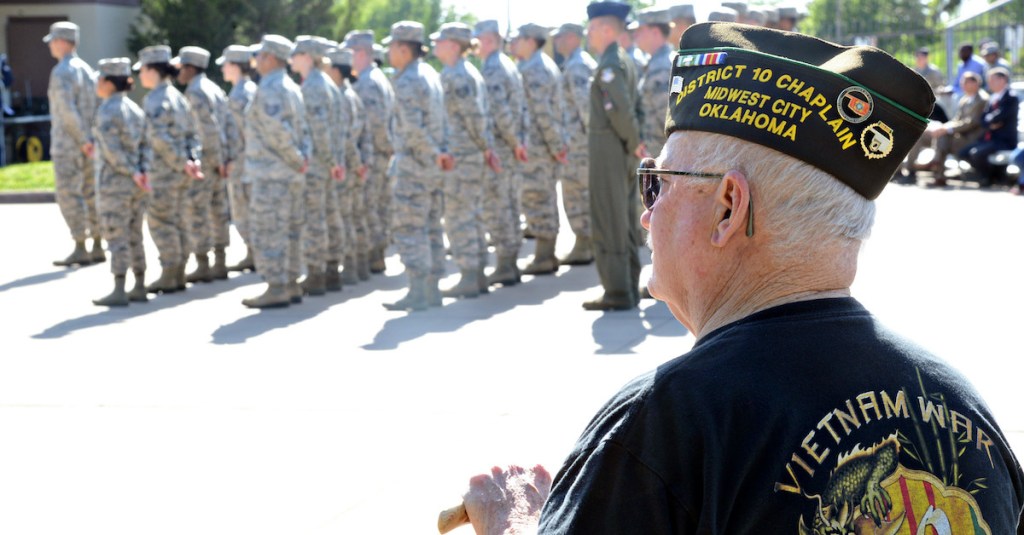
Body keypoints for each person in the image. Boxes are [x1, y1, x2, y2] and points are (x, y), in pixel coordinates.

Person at [455, 22, 1024, 534]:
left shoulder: (668, 424)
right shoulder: (965, 411)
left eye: (659, 183)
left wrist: (518, 522)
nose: (646, 214)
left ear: (729, 206)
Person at [382, 21, 448, 312]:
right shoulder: (428, 73)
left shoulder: (408, 80)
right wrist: (438, 154)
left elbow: (412, 128)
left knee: (410, 228)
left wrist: (431, 153)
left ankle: (418, 290)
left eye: (392, 47)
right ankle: (431, 289)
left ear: (403, 48)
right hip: (431, 166)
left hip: (415, 164)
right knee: (431, 227)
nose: (388, 53)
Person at [242, 34, 310, 309]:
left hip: (273, 173)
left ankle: (277, 286)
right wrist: (302, 159)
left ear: (270, 57)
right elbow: (303, 131)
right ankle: (290, 283)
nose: (256, 60)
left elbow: (276, 131)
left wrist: (295, 158)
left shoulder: (271, 87)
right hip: (290, 173)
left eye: (259, 55)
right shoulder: (290, 86)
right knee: (291, 229)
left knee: (270, 229)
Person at [584, 2, 644, 311]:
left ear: (607, 29)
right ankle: (627, 287)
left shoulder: (610, 65)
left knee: (609, 219)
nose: (588, 33)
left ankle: (618, 291)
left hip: (610, 148)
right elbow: (638, 107)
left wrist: (633, 141)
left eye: (592, 28)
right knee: (623, 218)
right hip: (621, 148)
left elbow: (621, 109)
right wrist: (637, 143)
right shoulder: (623, 60)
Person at [430, 23, 497, 299]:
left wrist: (484, 148)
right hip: (468, 154)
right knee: (471, 214)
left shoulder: (457, 75)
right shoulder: (462, 72)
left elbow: (474, 118)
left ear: (454, 45)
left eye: (440, 41)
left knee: (460, 218)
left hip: (461, 157)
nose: (435, 44)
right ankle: (476, 274)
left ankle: (470, 276)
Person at [134, 45, 203, 295]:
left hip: (165, 173)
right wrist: (192, 160)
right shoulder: (178, 96)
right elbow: (193, 135)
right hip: (182, 173)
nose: (140, 75)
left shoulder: (155, 100)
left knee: (161, 223)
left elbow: (160, 139)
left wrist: (181, 162)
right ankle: (178, 272)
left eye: (142, 69)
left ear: (153, 70)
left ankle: (169, 273)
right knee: (180, 220)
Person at [472, 20, 529, 288]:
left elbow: (501, 111)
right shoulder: (506, 64)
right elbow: (522, 109)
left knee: (499, 207)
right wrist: (520, 141)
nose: (474, 43)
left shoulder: (494, 67)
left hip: (502, 147)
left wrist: (514, 141)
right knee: (508, 205)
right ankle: (509, 263)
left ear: (492, 39)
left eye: (478, 38)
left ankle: (506, 265)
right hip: (510, 146)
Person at [511, 23, 568, 276]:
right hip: (536, 146)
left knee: (540, 198)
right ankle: (544, 254)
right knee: (535, 198)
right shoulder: (531, 66)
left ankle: (545, 256)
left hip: (539, 148)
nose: (513, 43)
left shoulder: (536, 69)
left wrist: (556, 147)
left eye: (518, 39)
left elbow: (543, 113)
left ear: (531, 41)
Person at [89, 58, 147, 307]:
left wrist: (130, 170)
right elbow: (146, 145)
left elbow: (113, 152)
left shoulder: (107, 110)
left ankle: (120, 288)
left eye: (99, 80)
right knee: (135, 233)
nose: (97, 85)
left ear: (108, 82)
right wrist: (141, 172)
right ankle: (140, 284)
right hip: (137, 183)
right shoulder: (134, 109)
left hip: (116, 183)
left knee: (116, 234)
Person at [45, 21, 102, 267]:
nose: (51, 47)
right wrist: (90, 140)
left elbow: (67, 111)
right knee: (90, 193)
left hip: (70, 144)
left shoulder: (61, 72)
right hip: (88, 143)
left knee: (68, 194)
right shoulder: (87, 70)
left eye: (53, 41)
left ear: (62, 42)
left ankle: (81, 245)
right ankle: (98, 243)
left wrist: (81, 140)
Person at [290, 36, 343, 297]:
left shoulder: (313, 86)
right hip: (328, 161)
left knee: (314, 219)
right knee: (328, 216)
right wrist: (337, 161)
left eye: (296, 54)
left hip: (318, 162)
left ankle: (316, 274)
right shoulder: (327, 83)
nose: (292, 59)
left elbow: (320, 130)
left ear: (308, 57)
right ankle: (331, 269)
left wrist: (330, 161)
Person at [173, 46, 230, 284]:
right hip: (217, 159)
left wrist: (213, 161)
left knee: (198, 211)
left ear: (189, 67)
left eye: (180, 67)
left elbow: (206, 132)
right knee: (218, 211)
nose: (177, 72)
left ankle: (204, 264)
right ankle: (220, 261)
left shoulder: (195, 92)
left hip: (205, 161)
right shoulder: (213, 88)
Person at [344, 29, 395, 276]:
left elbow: (374, 124)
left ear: (361, 53)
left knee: (367, 208)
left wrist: (380, 150)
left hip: (372, 154)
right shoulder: (376, 78)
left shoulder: (367, 82)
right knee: (376, 206)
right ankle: (375, 256)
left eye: (349, 53)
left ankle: (371, 257)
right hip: (379, 153)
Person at [324, 43, 369, 288]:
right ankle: (356, 267)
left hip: (345, 167)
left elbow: (348, 138)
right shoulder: (349, 94)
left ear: (336, 71)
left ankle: (350, 268)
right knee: (351, 217)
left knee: (343, 219)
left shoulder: (342, 97)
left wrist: (354, 163)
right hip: (351, 165)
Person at [552, 22, 597, 266]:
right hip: (581, 143)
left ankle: (584, 244)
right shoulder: (579, 62)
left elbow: (586, 108)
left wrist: (588, 142)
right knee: (580, 193)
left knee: (576, 194)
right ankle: (585, 242)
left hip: (578, 145)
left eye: (559, 36)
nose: (556, 41)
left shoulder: (577, 65)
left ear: (571, 37)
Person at [217, 44, 258, 273]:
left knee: (243, 210)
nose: (223, 69)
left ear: (234, 66)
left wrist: (234, 159)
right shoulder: (248, 89)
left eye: (226, 65)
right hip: (247, 161)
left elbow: (244, 133)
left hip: (242, 163)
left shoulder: (240, 94)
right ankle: (253, 252)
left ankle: (254, 253)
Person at [926, 71, 988, 186]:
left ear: (975, 83)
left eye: (965, 82)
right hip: (961, 136)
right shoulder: (965, 99)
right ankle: (938, 171)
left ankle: (937, 167)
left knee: (943, 137)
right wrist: (944, 127)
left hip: (973, 138)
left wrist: (947, 129)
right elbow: (956, 119)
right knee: (942, 136)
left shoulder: (982, 100)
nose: (962, 85)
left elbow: (971, 123)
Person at [960, 67, 1019, 188]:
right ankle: (990, 175)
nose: (989, 83)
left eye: (992, 80)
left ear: (1002, 80)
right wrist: (991, 122)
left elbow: (1000, 116)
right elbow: (983, 120)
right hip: (991, 139)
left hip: (1004, 140)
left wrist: (991, 120)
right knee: (964, 152)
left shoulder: (1011, 97)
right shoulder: (993, 98)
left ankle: (988, 178)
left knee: (977, 154)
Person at [900, 47, 948, 181]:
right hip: (917, 106)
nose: (919, 59)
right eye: (918, 57)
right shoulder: (914, 71)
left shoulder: (933, 71)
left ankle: (936, 170)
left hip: (933, 108)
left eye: (922, 57)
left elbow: (940, 88)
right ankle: (906, 170)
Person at [633, 7, 674, 160]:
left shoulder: (661, 66)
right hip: (659, 150)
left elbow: (666, 117)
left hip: (661, 152)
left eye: (640, 30)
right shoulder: (658, 62)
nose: (635, 34)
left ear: (655, 32)